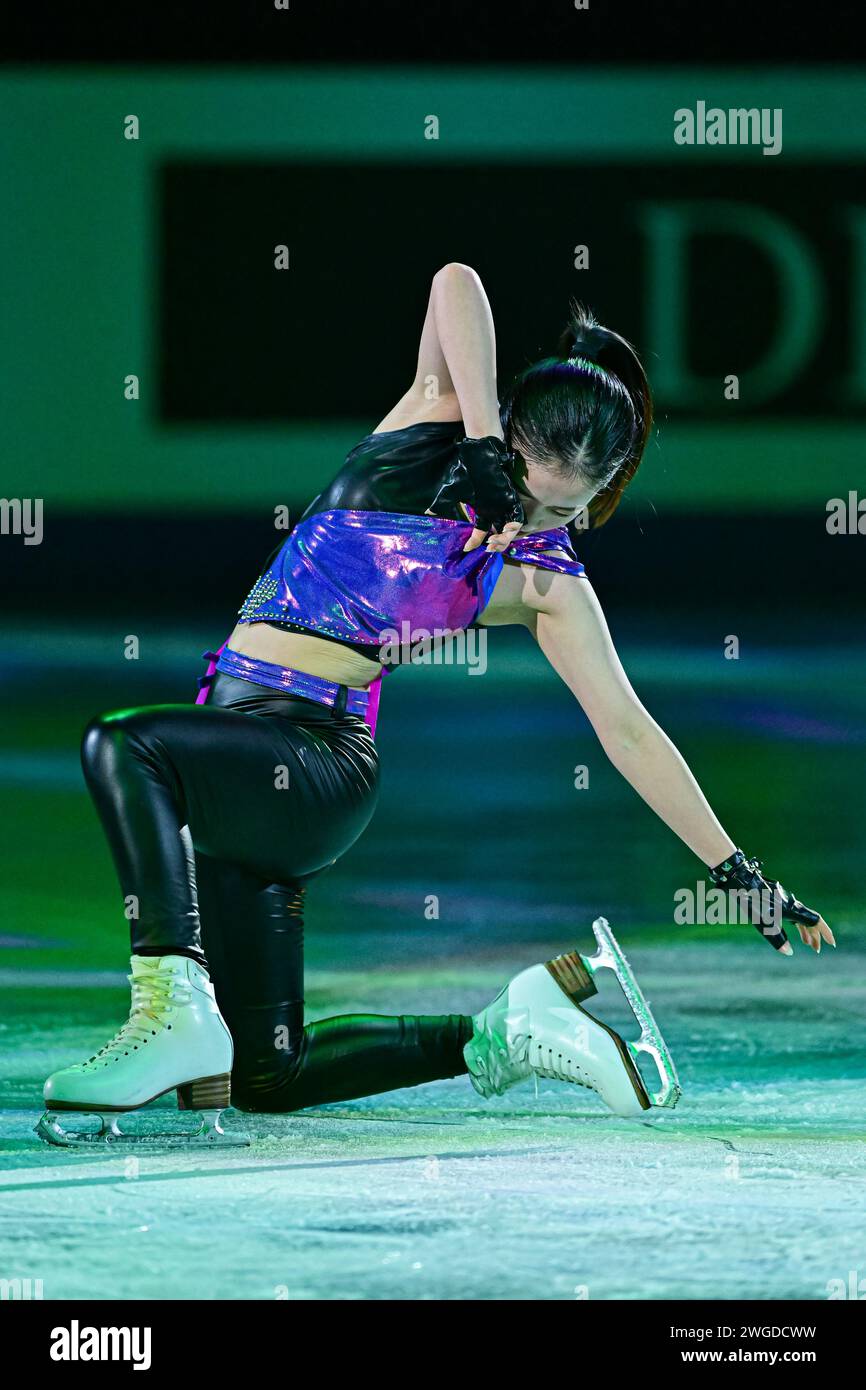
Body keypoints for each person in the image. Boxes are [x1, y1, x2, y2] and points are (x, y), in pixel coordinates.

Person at [37, 264, 832, 1146]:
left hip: (311, 761)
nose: (532, 518)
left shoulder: (547, 583)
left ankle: (169, 1007)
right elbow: (457, 281)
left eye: (563, 510)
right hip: (237, 757)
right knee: (268, 1074)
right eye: (528, 489)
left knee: (124, 747)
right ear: (506, 442)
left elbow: (629, 729)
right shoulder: (427, 425)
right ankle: (512, 1031)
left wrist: (738, 875)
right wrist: (485, 445)